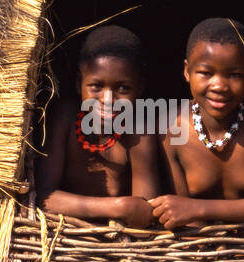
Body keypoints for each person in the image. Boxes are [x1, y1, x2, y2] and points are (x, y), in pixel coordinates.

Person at [151, 17, 244, 228]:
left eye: (235, 75)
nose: (219, 85)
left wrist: (197, 208)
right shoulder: (170, 128)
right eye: (205, 73)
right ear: (186, 71)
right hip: (198, 254)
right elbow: (180, 218)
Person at [35, 24, 159, 227]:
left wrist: (128, 210)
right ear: (78, 83)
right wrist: (118, 207)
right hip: (64, 237)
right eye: (96, 86)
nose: (108, 99)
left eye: (123, 88)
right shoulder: (64, 116)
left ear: (140, 89)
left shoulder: (140, 131)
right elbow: (43, 197)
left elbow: (143, 214)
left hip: (122, 246)